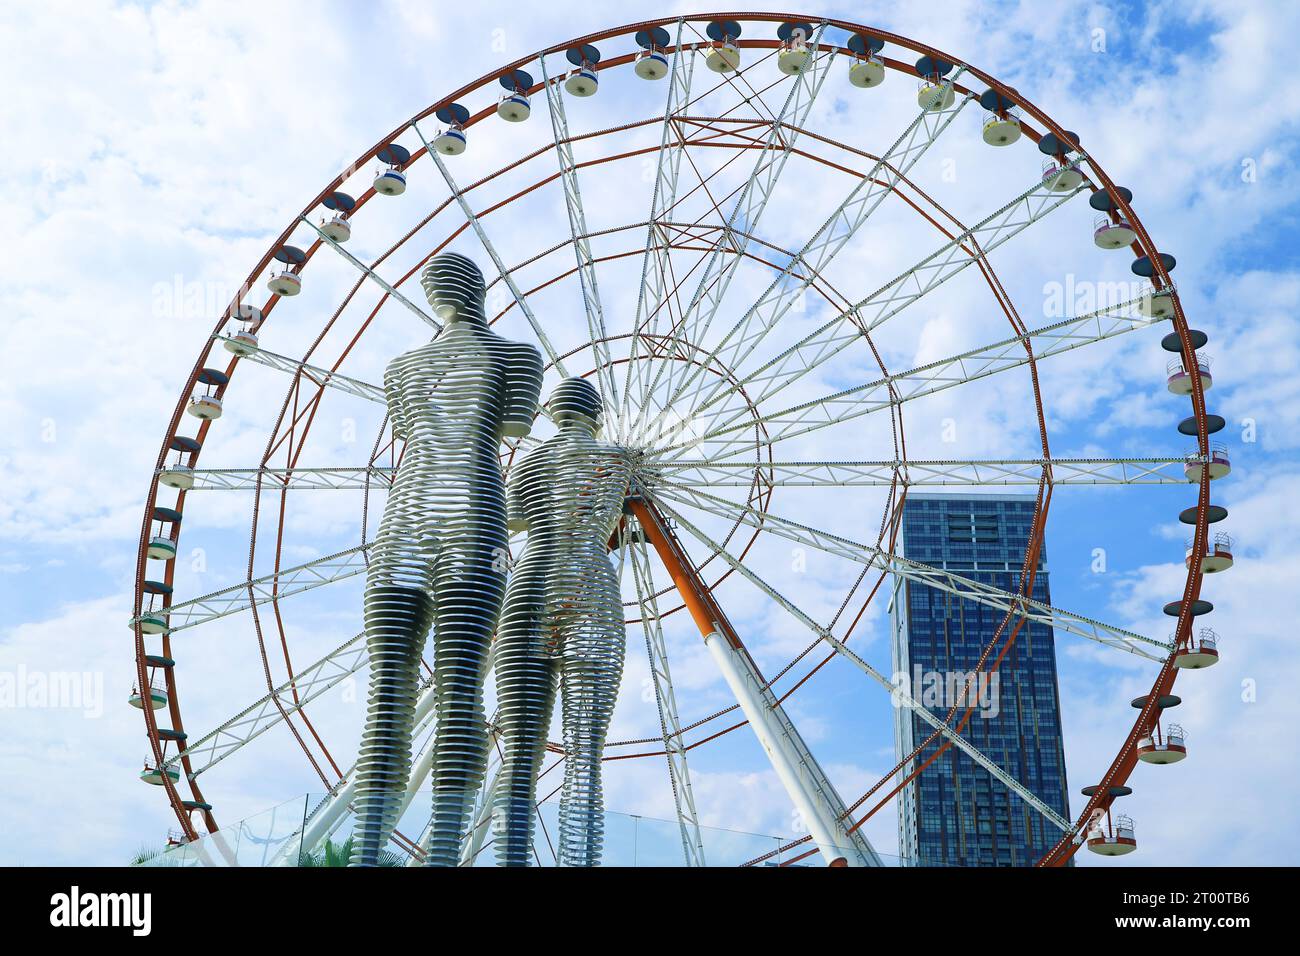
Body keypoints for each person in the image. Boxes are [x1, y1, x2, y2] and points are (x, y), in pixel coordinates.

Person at [349, 252, 542, 867]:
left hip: (403, 517)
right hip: (474, 514)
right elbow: (511, 426)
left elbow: (413, 431)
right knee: (460, 684)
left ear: (435, 293)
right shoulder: (517, 357)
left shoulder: (401, 367)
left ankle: (365, 855)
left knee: (388, 692)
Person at [492, 377, 631, 866]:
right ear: (597, 413)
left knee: (518, 757)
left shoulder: (527, 463)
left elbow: (509, 523)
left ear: (551, 411)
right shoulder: (619, 458)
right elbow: (615, 513)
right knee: (584, 756)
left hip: (529, 583)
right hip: (592, 583)